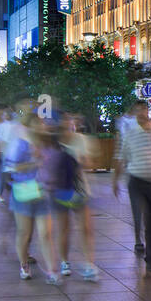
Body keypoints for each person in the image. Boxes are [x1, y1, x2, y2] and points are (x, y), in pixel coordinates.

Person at [114, 99, 151, 273]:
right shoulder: (130, 133)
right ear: (134, 113)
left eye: (144, 109)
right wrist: (115, 180)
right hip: (136, 181)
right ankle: (150, 257)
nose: (141, 113)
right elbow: (122, 157)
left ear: (148, 111)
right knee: (141, 215)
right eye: (138, 110)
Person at [3, 113, 59, 283]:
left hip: (43, 193)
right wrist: (35, 162)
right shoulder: (20, 144)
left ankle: (52, 271)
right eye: (38, 123)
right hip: (24, 192)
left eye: (42, 123)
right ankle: (24, 264)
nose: (42, 126)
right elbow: (10, 167)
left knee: (45, 233)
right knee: (24, 233)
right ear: (29, 126)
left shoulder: (47, 144)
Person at [56, 115, 99, 280]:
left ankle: (90, 263)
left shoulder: (81, 139)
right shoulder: (54, 143)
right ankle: (64, 261)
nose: (69, 128)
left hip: (79, 188)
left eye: (71, 125)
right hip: (60, 190)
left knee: (86, 228)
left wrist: (82, 161)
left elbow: (89, 163)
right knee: (63, 228)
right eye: (65, 125)